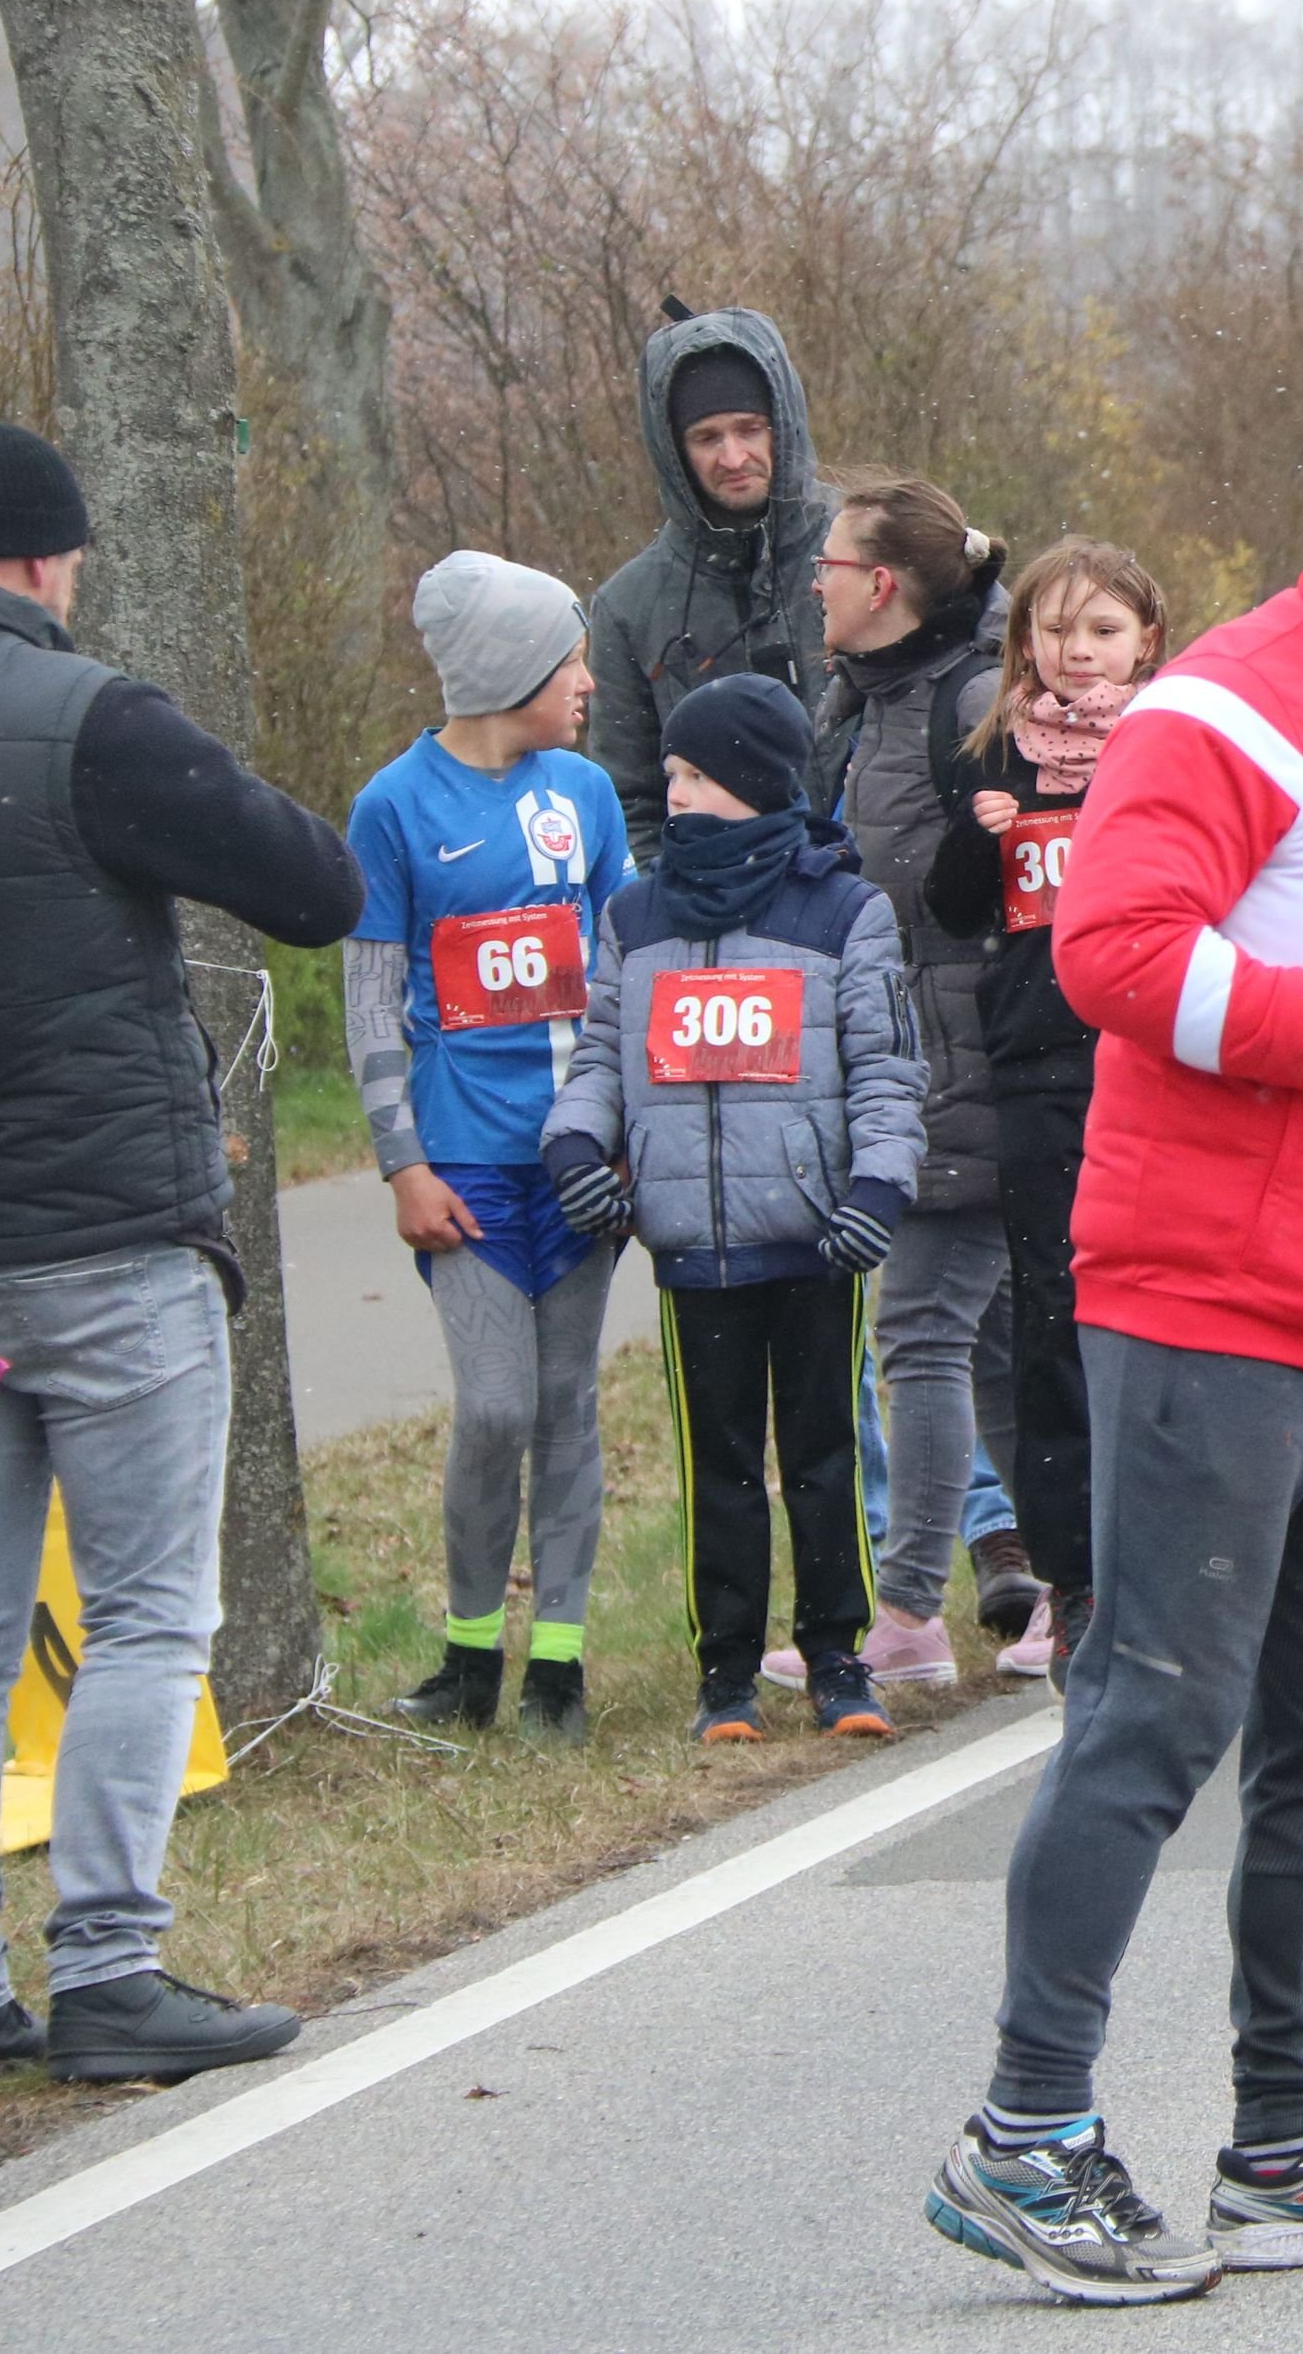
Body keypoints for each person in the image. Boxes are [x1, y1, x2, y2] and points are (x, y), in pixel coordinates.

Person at [932, 356, 1303, 2304]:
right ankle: (1027, 2132)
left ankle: (1280, 2146)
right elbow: (1113, 953)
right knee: (1156, 1710)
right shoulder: (1223, 704)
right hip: (1203, 1295)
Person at [0, 421, 359, 2090]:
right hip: (101, 1235)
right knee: (152, 1608)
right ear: (47, 557)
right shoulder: (92, 717)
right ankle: (109, 1965)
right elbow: (314, 884)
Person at [541, 674, 921, 1740]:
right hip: (689, 1245)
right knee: (717, 1466)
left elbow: (888, 1069)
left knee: (822, 1454)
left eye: (694, 774)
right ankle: (727, 1672)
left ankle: (841, 1656)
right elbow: (598, 1064)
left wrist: (877, 1189)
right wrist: (574, 1143)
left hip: (814, 1240)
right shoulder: (635, 914)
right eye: (668, 770)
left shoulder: (845, 909)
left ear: (755, 782)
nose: (674, 791)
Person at [352, 554, 630, 1743]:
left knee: (566, 1401)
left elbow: (625, 970)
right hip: (460, 1162)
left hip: (577, 1159)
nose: (587, 682)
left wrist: (628, 1129)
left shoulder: (589, 793)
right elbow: (370, 995)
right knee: (498, 1407)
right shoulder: (392, 806)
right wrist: (399, 1162)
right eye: (568, 661)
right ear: (511, 669)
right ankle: (470, 1653)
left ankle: (557, 1665)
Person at [784, 473, 1016, 1697]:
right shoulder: (866, 699)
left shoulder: (969, 702)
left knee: (924, 1336)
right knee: (996, 1345)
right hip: (906, 1058)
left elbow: (982, 896)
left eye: (828, 564)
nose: (812, 582)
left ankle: (913, 1614)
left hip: (962, 1064)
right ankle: (1073, 1599)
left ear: (879, 585)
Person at [927, 538, 1167, 1685]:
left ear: (1146, 643)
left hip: (1161, 1064)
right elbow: (949, 905)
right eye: (1057, 630)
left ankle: (1176, 1566)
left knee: (1168, 1318)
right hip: (1035, 1065)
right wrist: (977, 840)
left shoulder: (1178, 750)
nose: (1079, 652)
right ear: (1023, 642)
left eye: (1104, 630)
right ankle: (1073, 1584)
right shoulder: (997, 757)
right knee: (1053, 1322)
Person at [589, 306, 837, 865]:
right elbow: (628, 802)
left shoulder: (872, 551)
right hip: (719, 927)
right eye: (707, 437)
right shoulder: (629, 608)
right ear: (674, 450)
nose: (733, 457)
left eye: (750, 429)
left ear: (783, 424)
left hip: (885, 912)